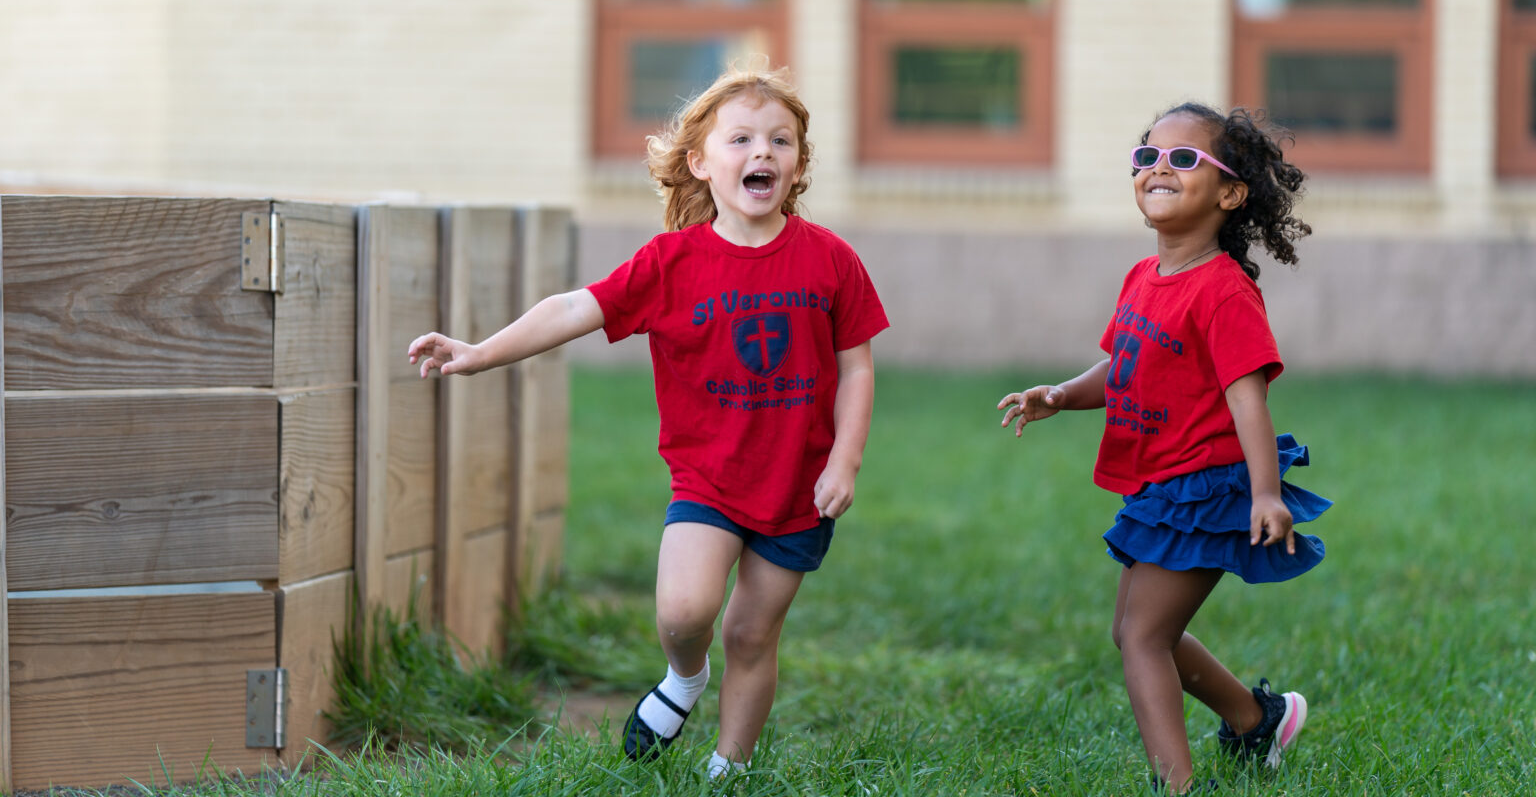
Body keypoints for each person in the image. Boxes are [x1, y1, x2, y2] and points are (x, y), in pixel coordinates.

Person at [408, 66, 888, 779]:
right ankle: (684, 678)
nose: (763, 151)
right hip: (709, 480)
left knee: (751, 634)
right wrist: (481, 352)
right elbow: (574, 308)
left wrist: (844, 461)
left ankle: (729, 771)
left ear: (797, 163)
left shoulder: (831, 260)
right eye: (741, 139)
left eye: (780, 140)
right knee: (684, 612)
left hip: (799, 486)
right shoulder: (671, 264)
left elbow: (857, 368)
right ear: (700, 162)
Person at [997, 102, 1330, 794]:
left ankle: (1173, 784)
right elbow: (1122, 363)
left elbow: (1248, 399)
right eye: (1146, 156)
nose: (1158, 168)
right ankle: (1256, 720)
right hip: (1163, 486)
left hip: (1207, 489)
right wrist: (1060, 394)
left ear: (1230, 193)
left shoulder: (1223, 290)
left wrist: (1266, 493)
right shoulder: (1142, 278)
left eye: (1183, 159)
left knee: (1143, 637)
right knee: (1136, 631)